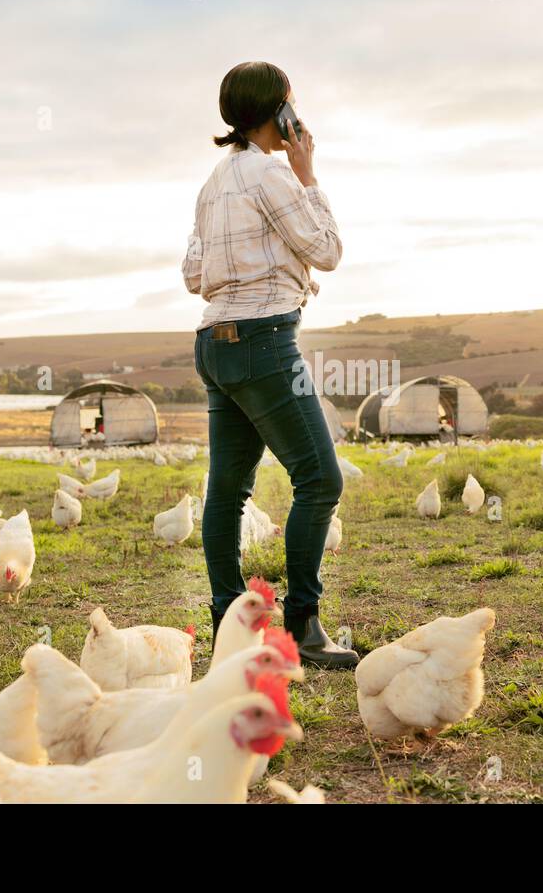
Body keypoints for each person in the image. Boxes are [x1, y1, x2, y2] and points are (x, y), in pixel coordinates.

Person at [181, 61, 358, 669]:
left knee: (227, 492)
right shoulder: (273, 176)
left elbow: (192, 276)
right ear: (280, 111)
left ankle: (229, 627)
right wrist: (308, 177)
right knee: (320, 479)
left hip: (214, 343)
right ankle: (306, 629)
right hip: (264, 343)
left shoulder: (213, 183)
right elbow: (328, 251)